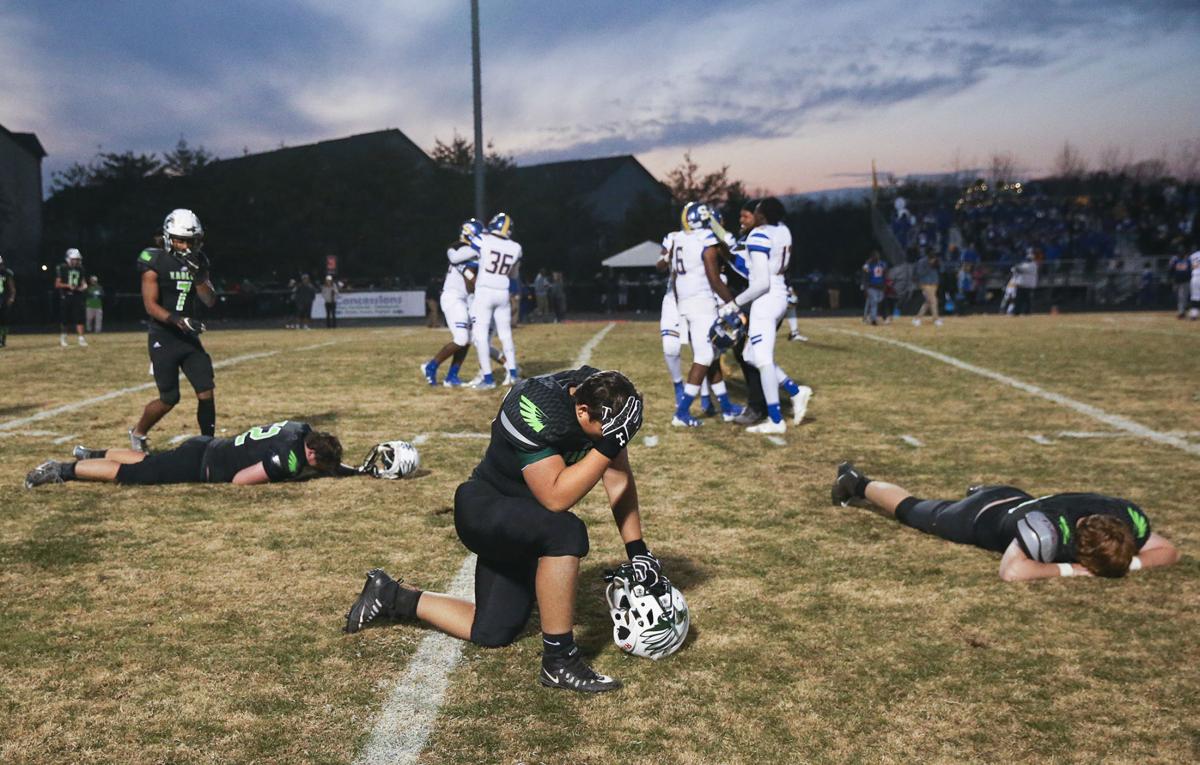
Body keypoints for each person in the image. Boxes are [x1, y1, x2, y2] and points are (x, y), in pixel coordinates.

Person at [343, 368, 661, 694]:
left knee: (492, 631)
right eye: (606, 434)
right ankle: (559, 662)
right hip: (485, 508)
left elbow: (617, 475)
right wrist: (608, 444)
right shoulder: (536, 404)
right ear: (580, 410)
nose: (609, 440)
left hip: (525, 522)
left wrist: (637, 550)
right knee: (567, 532)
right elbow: (555, 498)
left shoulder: (605, 401)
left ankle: (392, 595)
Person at [830, 462, 1179, 581]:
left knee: (1017, 509)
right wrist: (1074, 570)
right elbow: (1012, 571)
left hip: (1017, 498)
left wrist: (1126, 563)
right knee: (914, 510)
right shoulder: (1048, 535)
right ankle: (856, 482)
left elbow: (1168, 551)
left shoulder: (1123, 517)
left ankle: (980, 490)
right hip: (976, 517)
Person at [715, 198, 810, 433]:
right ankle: (795, 391)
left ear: (763, 215)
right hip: (779, 293)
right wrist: (731, 252)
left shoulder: (759, 235)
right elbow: (756, 268)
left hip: (765, 299)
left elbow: (759, 283)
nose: (751, 216)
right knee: (750, 354)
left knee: (763, 359)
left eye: (755, 212)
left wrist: (733, 304)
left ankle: (776, 420)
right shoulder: (783, 231)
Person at [25, 420, 351, 488]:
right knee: (132, 474)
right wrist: (288, 475)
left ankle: (91, 454)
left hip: (205, 444)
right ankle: (63, 469)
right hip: (200, 464)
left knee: (148, 460)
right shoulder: (290, 459)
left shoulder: (300, 428)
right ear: (311, 455)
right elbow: (240, 480)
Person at [128, 209, 218, 453]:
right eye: (181, 240)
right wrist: (179, 320)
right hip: (164, 336)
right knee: (169, 398)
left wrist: (198, 276)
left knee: (205, 390)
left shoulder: (200, 261)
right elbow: (150, 305)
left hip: (187, 337)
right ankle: (138, 432)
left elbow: (209, 300)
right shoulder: (153, 260)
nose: (186, 246)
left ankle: (207, 445)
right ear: (169, 238)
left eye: (191, 240)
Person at [667, 202, 742, 427]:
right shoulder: (706, 241)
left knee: (711, 355)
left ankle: (726, 407)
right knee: (705, 357)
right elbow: (714, 279)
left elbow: (673, 273)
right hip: (702, 304)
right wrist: (734, 304)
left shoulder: (679, 238)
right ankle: (682, 412)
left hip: (687, 303)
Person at [421, 219, 481, 387]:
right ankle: (430, 366)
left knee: (467, 339)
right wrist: (478, 249)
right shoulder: (457, 247)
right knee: (461, 338)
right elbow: (455, 258)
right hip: (452, 297)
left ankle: (452, 376)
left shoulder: (475, 252)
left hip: (464, 298)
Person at [467, 212, 521, 388]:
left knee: (480, 336)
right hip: (502, 291)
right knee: (505, 334)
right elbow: (514, 274)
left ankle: (488, 379)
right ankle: (512, 373)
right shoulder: (516, 247)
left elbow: (469, 251)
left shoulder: (483, 239)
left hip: (484, 291)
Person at [55, 248, 88, 347]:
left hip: (77, 295)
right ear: (69, 259)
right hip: (66, 295)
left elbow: (83, 281)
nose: (77, 261)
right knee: (65, 319)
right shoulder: (62, 268)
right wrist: (68, 286)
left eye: (78, 259)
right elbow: (57, 284)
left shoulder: (81, 269)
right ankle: (63, 337)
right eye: (75, 259)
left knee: (80, 318)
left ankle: (81, 338)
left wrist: (84, 286)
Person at [912, 252, 942, 326]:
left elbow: (938, 271)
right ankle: (936, 319)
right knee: (934, 300)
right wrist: (929, 266)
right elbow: (919, 273)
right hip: (925, 283)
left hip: (934, 283)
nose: (934, 260)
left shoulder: (936, 262)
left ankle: (917, 318)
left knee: (928, 302)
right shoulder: (922, 262)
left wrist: (935, 264)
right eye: (933, 259)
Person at [862, 251, 886, 325]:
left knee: (873, 301)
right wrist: (865, 287)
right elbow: (865, 274)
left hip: (880, 286)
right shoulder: (868, 265)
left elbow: (885, 273)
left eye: (877, 256)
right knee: (874, 302)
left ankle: (866, 316)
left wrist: (884, 285)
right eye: (875, 256)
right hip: (871, 286)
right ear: (872, 257)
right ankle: (873, 319)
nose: (876, 257)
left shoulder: (882, 264)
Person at [0, 253, 15, 348]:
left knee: (4, 321)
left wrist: (11, 297)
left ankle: (3, 340)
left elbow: (12, 287)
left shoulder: (6, 273)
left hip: (3, 298)